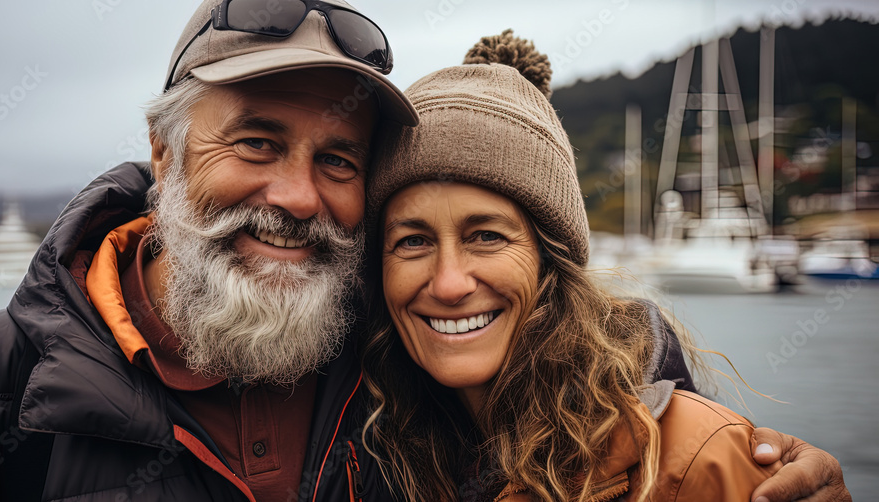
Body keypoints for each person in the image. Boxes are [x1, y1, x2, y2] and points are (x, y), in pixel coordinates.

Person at [0, 2, 847, 500]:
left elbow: (576, 378)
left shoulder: (406, 361)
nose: (296, 196)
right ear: (163, 149)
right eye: (256, 141)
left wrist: (732, 460)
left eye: (337, 159)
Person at [361, 31, 853, 502]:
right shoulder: (369, 445)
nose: (449, 283)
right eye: (413, 241)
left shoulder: (700, 460)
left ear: (551, 260)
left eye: (487, 236)